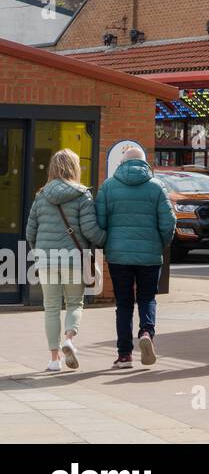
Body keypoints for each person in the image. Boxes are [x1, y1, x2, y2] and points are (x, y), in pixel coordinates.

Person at [25, 149, 105, 373]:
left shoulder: (41, 196)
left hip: (46, 260)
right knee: (74, 304)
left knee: (50, 308)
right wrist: (105, 240)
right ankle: (69, 339)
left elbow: (30, 232)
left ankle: (53, 359)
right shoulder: (82, 195)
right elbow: (90, 229)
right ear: (75, 168)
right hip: (73, 259)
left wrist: (40, 254)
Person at [96, 146, 175, 370]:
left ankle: (124, 355)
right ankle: (147, 332)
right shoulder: (157, 187)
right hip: (150, 254)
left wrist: (106, 242)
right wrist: (160, 243)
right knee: (147, 298)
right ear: (144, 163)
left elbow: (100, 222)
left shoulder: (108, 187)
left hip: (119, 254)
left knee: (123, 304)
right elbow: (169, 222)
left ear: (123, 162)